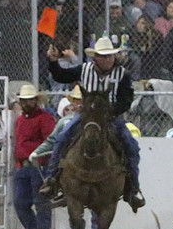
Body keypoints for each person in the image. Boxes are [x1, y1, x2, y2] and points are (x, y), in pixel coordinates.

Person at [41, 36, 145, 212]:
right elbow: (61, 76)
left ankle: (133, 187)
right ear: (95, 57)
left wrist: (110, 111)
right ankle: (52, 180)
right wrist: (53, 62)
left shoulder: (122, 75)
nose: (107, 59)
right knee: (62, 138)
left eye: (109, 56)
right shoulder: (84, 70)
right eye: (103, 56)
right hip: (86, 116)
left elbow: (126, 100)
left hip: (111, 117)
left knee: (131, 146)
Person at [13, 84, 56, 229]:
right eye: (24, 101)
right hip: (24, 165)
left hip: (39, 165)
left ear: (35, 101)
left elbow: (50, 143)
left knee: (40, 203)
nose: (26, 103)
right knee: (20, 203)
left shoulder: (45, 118)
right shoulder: (21, 120)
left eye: (29, 100)